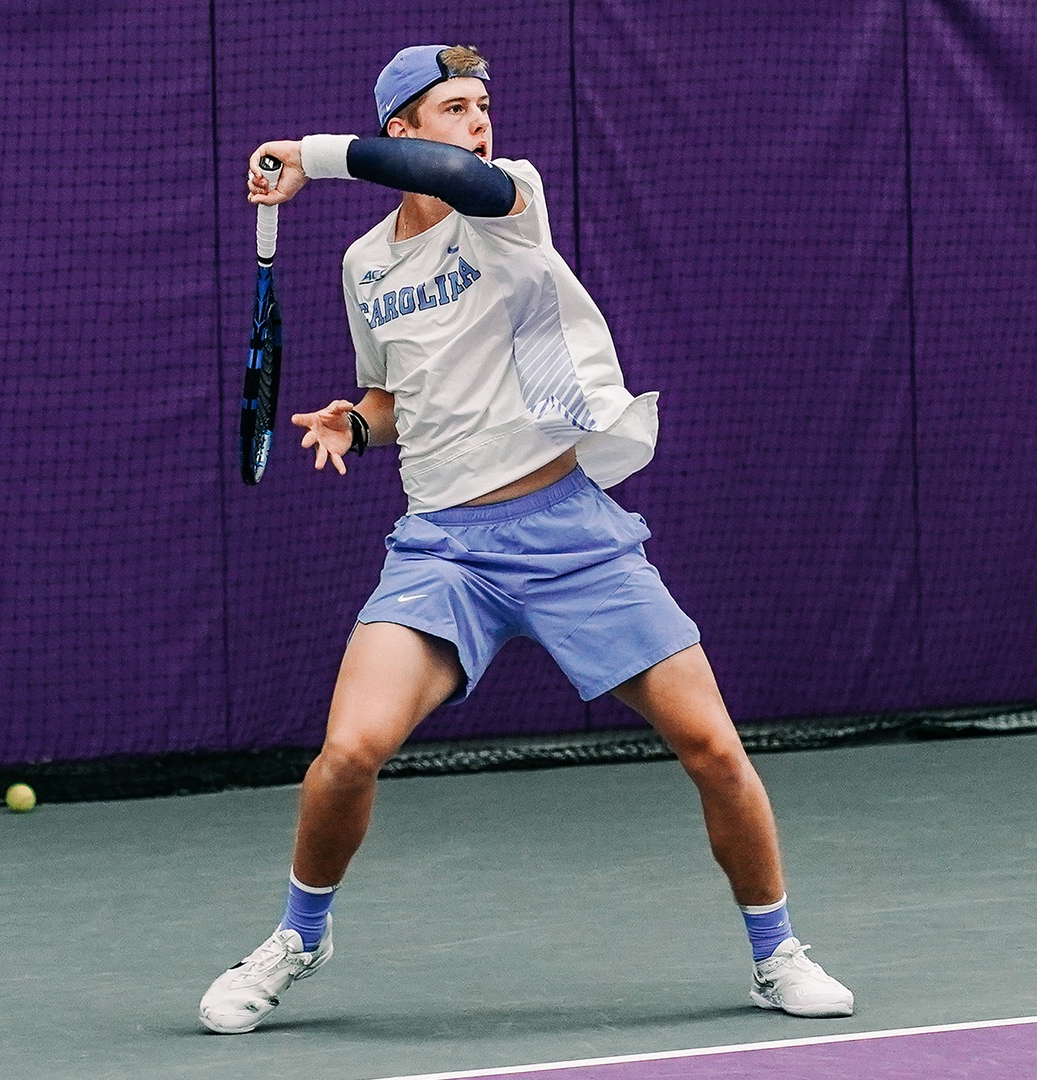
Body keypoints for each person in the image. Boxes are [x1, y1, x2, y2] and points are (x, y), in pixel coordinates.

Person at [198, 44, 853, 1035]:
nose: (478, 122)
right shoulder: (362, 264)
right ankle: (299, 937)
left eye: (482, 106)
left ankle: (777, 953)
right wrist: (357, 425)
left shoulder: (510, 200)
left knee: (716, 750)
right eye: (452, 107)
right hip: (443, 554)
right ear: (400, 128)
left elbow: (456, 180)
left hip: (569, 535)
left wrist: (315, 156)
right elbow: (395, 396)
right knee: (346, 755)